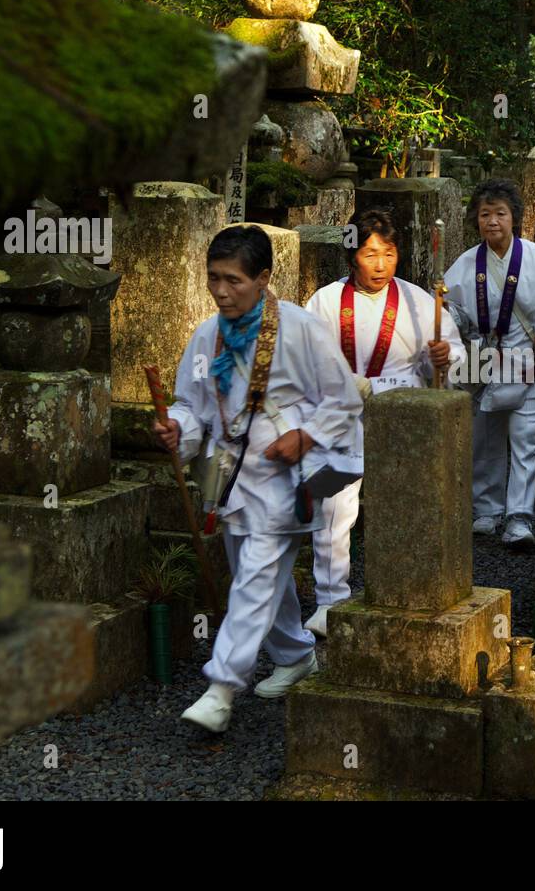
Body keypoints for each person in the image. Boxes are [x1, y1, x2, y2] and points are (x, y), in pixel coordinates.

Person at [153, 225, 364, 733]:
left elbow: (344, 399)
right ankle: (295, 655)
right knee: (263, 579)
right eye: (213, 279)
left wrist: (305, 436)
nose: (221, 291)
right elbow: (193, 404)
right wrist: (177, 429)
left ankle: (221, 688)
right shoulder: (208, 335)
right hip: (230, 478)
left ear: (264, 278)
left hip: (287, 478)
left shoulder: (301, 329)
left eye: (233, 280)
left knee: (254, 578)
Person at [303, 209, 465, 636]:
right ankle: (330, 598)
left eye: (389, 254)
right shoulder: (324, 301)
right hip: (343, 412)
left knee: (407, 502)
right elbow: (307, 360)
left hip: (401, 412)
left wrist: (445, 359)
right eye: (370, 253)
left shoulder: (417, 301)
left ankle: (408, 590)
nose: (380, 265)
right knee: (334, 508)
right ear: (352, 254)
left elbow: (454, 352)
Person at [443, 179, 535, 548]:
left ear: (513, 217)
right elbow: (456, 315)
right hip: (484, 359)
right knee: (484, 437)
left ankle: (519, 517)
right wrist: (445, 311)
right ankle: (487, 509)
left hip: (529, 357)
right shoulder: (467, 263)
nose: (492, 222)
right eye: (485, 215)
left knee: (526, 440)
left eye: (500, 213)